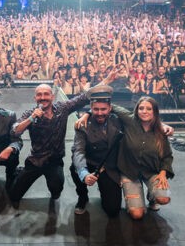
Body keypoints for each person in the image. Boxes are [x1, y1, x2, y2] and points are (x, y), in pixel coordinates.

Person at [8, 71, 114, 206]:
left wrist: (105, 81)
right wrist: (31, 118)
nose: (43, 97)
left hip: (54, 161)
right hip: (35, 161)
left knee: (56, 191)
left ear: (52, 96)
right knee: (14, 196)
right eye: (39, 95)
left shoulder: (63, 109)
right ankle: (19, 173)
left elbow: (84, 97)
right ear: (35, 98)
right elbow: (14, 131)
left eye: (46, 94)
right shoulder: (30, 114)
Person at [112, 96, 173, 220]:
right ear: (136, 110)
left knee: (163, 198)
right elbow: (110, 106)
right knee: (137, 214)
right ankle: (136, 200)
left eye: (149, 109)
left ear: (154, 112)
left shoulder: (161, 131)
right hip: (129, 171)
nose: (144, 111)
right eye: (141, 108)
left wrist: (162, 173)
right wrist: (86, 114)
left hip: (151, 171)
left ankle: (152, 198)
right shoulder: (129, 120)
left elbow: (167, 156)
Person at [70, 86, 124, 217]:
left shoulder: (119, 120)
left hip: (109, 167)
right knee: (75, 168)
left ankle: (103, 187)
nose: (100, 113)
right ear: (91, 108)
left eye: (103, 109)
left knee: (113, 211)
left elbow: (138, 120)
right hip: (90, 163)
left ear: (110, 108)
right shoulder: (83, 124)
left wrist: (161, 125)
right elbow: (78, 151)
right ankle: (82, 196)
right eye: (95, 109)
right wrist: (84, 174)